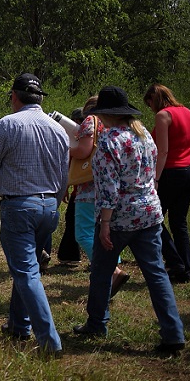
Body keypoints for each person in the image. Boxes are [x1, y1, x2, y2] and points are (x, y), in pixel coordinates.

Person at [73, 86, 186, 355]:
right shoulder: (143, 133)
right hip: (149, 213)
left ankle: (96, 323)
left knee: (101, 271)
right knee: (156, 274)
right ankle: (173, 334)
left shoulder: (108, 142)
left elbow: (108, 188)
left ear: (104, 113)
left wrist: (105, 224)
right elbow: (152, 170)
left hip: (120, 218)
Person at [0, 73, 67, 354]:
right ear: (40, 98)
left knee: (26, 273)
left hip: (20, 207)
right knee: (27, 267)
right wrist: (54, 204)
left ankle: (50, 342)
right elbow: (64, 176)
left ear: (14, 96)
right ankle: (18, 325)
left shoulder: (7, 125)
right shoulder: (58, 129)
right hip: (49, 207)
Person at [143, 83, 190, 283]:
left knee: (153, 218)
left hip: (171, 173)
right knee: (179, 222)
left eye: (149, 103)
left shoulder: (163, 116)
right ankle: (184, 269)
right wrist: (186, 156)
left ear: (154, 99)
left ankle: (175, 262)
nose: (150, 108)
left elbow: (163, 151)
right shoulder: (186, 111)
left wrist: (155, 178)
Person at [70, 96, 128, 294]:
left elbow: (83, 150)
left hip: (89, 187)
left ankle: (113, 271)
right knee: (102, 231)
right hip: (111, 186)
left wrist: (66, 148)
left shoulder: (90, 121)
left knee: (83, 233)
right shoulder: (117, 125)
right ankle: (112, 267)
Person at [58, 108, 85, 264]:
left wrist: (65, 187)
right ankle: (69, 255)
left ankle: (70, 255)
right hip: (82, 190)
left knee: (73, 221)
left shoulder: (80, 143)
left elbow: (69, 164)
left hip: (82, 191)